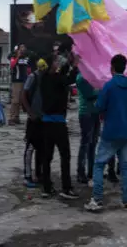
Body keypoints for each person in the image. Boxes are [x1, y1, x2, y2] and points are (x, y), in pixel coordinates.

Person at [84, 54, 127, 213]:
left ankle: (97, 199)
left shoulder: (109, 86)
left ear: (111, 67)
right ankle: (126, 200)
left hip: (111, 131)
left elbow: (99, 105)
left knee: (99, 165)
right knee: (125, 167)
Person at [40, 52, 79, 200]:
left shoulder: (44, 78)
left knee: (47, 156)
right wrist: (75, 66)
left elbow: (62, 76)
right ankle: (66, 188)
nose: (58, 63)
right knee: (65, 155)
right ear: (51, 65)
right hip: (58, 123)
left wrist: (69, 63)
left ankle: (47, 187)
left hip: (46, 122)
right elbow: (69, 79)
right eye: (56, 62)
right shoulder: (57, 79)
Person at [21, 59, 47, 189]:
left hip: (43, 117)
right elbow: (24, 94)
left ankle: (39, 173)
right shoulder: (33, 77)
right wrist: (30, 112)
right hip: (34, 118)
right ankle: (27, 175)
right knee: (30, 147)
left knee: (42, 147)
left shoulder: (47, 78)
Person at [76, 71, 100, 185]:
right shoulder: (81, 77)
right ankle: (81, 172)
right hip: (86, 113)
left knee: (93, 143)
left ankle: (91, 171)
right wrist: (102, 90)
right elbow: (89, 94)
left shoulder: (92, 75)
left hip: (94, 113)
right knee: (85, 143)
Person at [9, 45, 31, 125]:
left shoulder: (26, 58)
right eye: (21, 48)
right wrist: (17, 56)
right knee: (15, 100)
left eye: (24, 48)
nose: (23, 49)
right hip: (16, 81)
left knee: (21, 100)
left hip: (24, 80)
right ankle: (12, 118)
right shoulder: (13, 57)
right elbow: (12, 65)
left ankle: (17, 117)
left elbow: (28, 69)